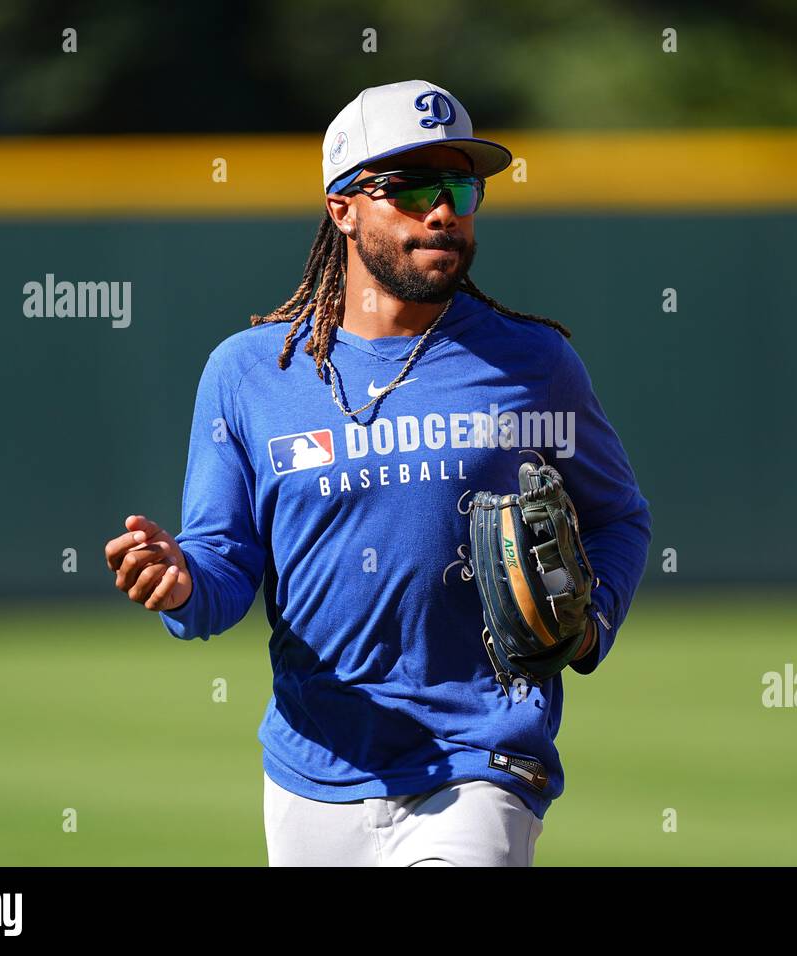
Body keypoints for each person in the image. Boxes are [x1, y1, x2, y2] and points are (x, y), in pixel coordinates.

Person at [103, 79, 651, 866]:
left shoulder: (533, 364)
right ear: (343, 207)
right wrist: (181, 581)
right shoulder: (250, 372)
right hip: (312, 769)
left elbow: (618, 515)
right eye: (413, 188)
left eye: (462, 187)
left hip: (480, 763)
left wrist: (593, 616)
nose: (444, 210)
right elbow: (223, 570)